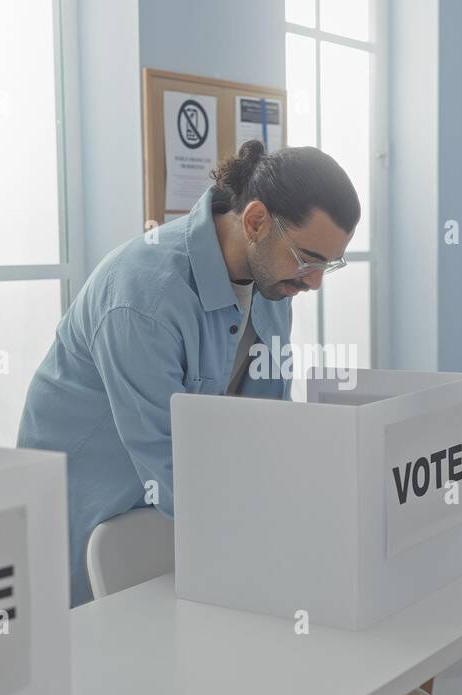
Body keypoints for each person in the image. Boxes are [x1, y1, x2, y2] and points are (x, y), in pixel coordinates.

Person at [18, 140, 360, 606]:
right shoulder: (144, 298)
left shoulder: (275, 287)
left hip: (178, 518)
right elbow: (170, 461)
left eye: (328, 265)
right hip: (86, 518)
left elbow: (264, 426)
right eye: (307, 258)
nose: (314, 282)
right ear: (256, 221)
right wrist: (277, 537)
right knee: (100, 668)